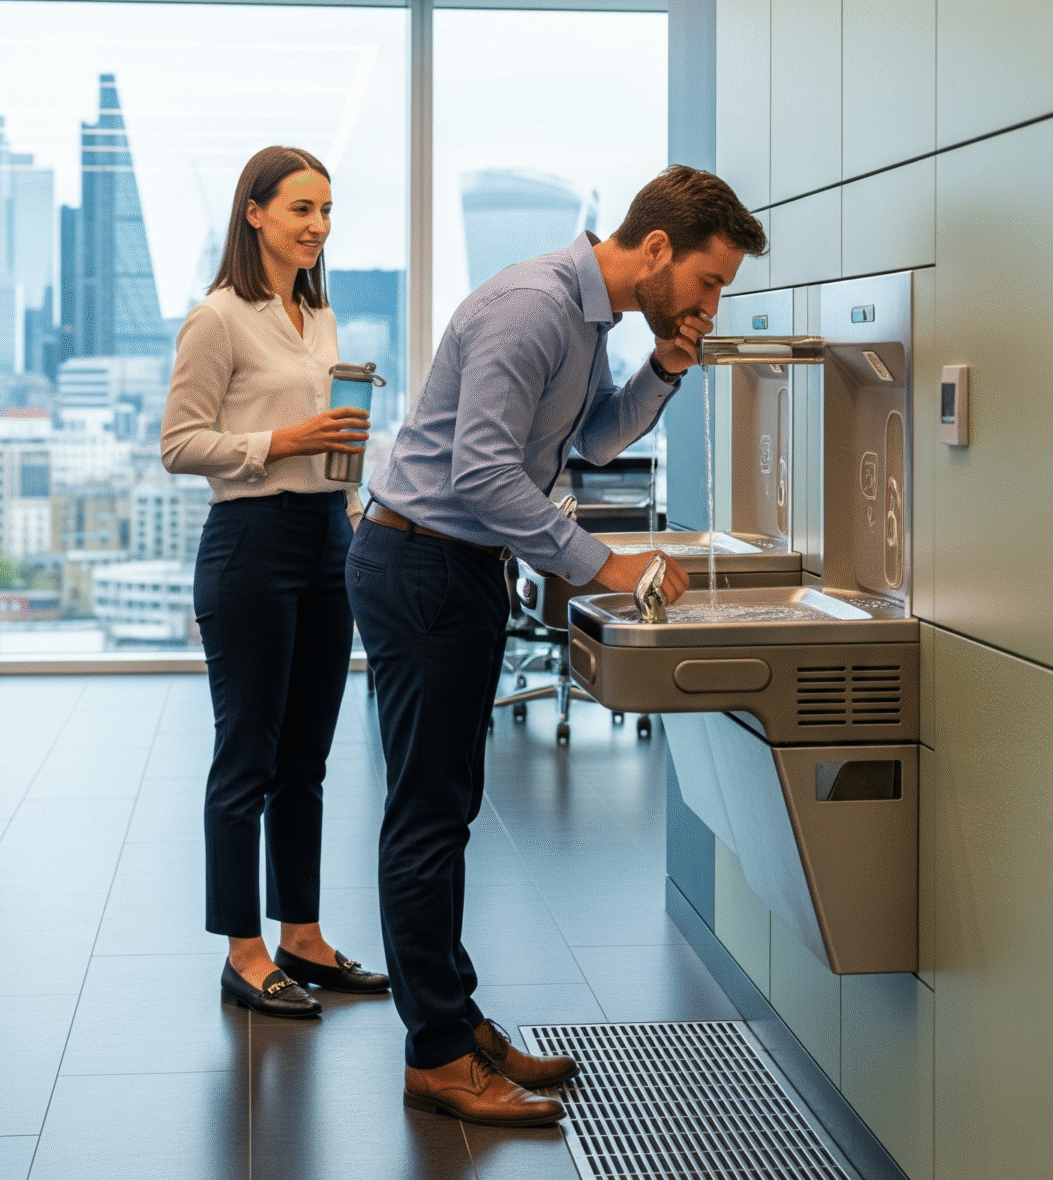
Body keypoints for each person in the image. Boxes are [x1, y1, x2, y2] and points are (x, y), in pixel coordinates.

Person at [348, 166, 768, 1123]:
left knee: (448, 808)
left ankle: (455, 1020)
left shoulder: (592, 322)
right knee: (427, 816)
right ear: (656, 249)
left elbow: (595, 444)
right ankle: (437, 1056)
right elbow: (483, 473)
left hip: (454, 565)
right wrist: (608, 564)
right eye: (708, 281)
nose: (710, 304)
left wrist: (665, 367)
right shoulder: (535, 308)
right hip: (422, 564)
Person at [162, 145, 390, 1019]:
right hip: (251, 544)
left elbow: (323, 435)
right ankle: (244, 951)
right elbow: (179, 444)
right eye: (301, 208)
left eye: (326, 210)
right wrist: (283, 442)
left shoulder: (317, 314)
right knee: (247, 757)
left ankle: (303, 935)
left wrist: (349, 496)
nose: (318, 226)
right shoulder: (217, 319)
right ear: (254, 212)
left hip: (328, 536)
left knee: (306, 759)